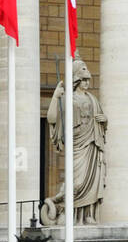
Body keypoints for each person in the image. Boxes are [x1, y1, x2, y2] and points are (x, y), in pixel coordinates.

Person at [44, 57, 108, 225]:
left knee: (92, 179)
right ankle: (66, 210)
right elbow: (51, 118)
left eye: (88, 80)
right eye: (84, 80)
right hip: (76, 143)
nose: (87, 83)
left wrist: (103, 120)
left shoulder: (93, 99)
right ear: (76, 80)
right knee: (77, 182)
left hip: (92, 143)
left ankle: (88, 215)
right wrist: (55, 97)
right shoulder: (67, 98)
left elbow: (100, 122)